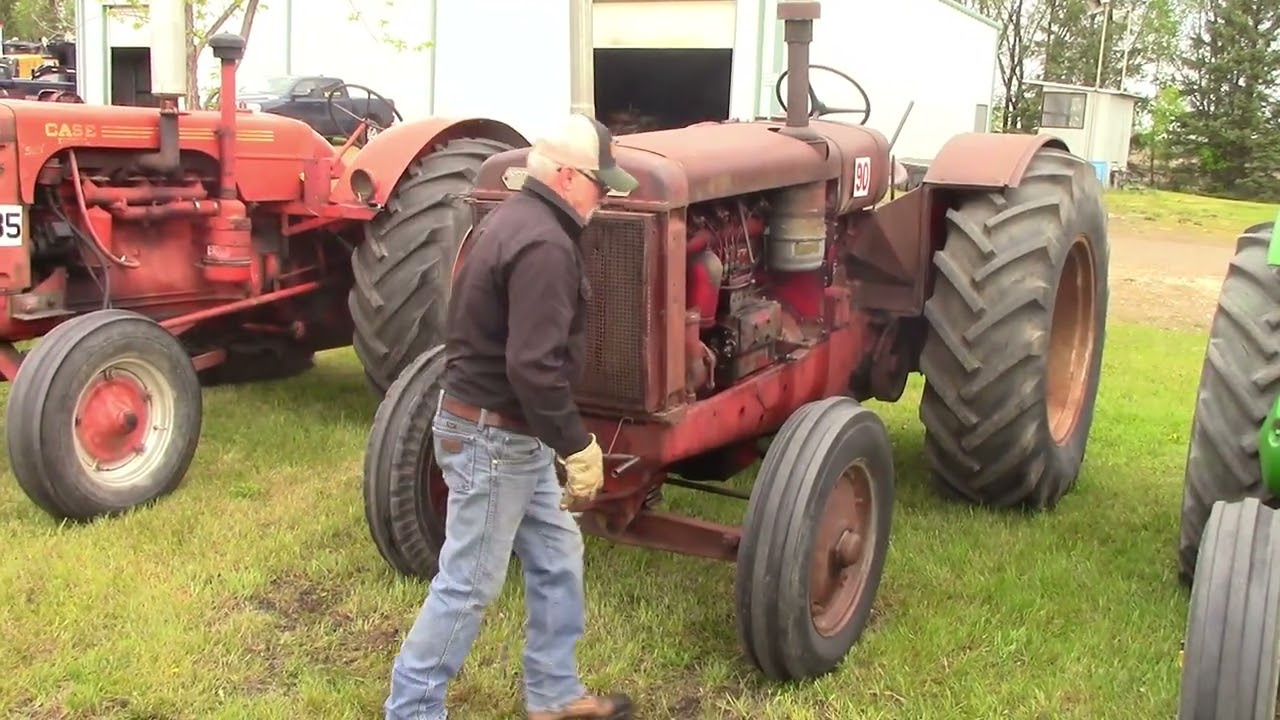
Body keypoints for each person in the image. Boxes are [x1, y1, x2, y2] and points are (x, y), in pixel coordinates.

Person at [383, 113, 640, 720]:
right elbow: (532, 367)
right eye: (600, 183)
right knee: (469, 584)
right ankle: (412, 708)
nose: (605, 196)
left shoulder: (510, 220)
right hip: (493, 439)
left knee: (557, 556)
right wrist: (577, 445)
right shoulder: (546, 245)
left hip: (503, 434)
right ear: (569, 177)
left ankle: (553, 695)